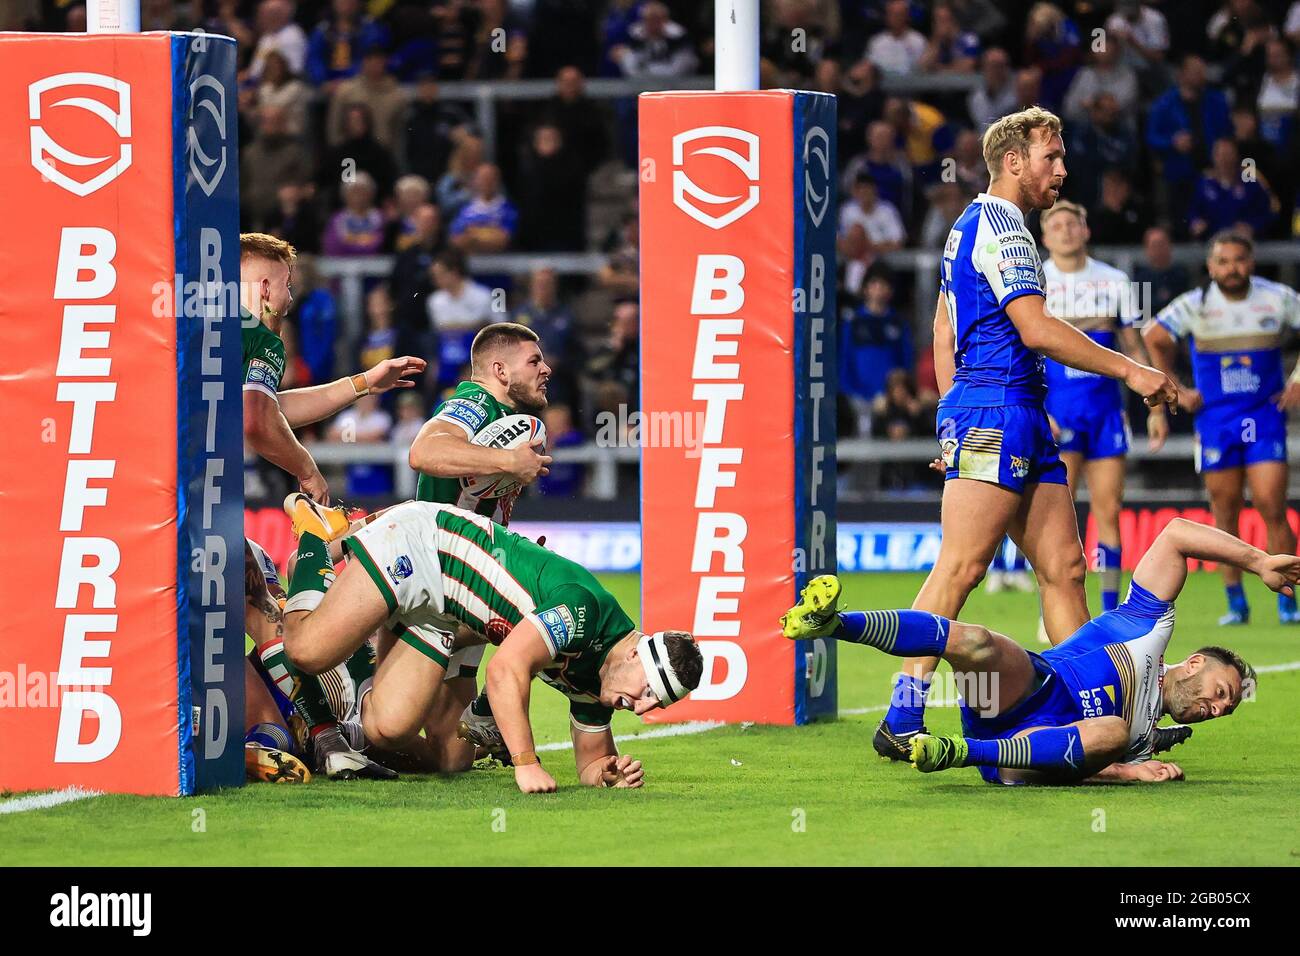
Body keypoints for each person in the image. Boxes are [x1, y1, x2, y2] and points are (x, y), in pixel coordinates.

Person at [880, 107, 1177, 762]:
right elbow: (1037, 329)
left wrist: (949, 414)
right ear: (1014, 161)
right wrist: (1132, 370)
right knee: (962, 565)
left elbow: (942, 327)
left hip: (1013, 411)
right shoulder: (1002, 226)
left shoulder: (976, 227)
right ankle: (901, 714)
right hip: (996, 410)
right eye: (1052, 157)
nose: (1063, 170)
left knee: (1065, 569)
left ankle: (1092, 708)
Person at [782, 516, 1290, 784]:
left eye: (1225, 710)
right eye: (1222, 691)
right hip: (1024, 690)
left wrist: (1125, 766)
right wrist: (1259, 560)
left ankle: (959, 755)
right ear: (1196, 663)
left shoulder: (1145, 740)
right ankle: (833, 624)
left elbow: (1103, 758)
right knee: (977, 640)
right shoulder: (1148, 626)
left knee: (1112, 732)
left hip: (1017, 758)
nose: (1219, 707)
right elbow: (1176, 534)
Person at [279, 496, 704, 793]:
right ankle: (316, 534)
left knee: (390, 731)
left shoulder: (606, 682)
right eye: (649, 690)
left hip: (448, 613)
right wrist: (526, 762)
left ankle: (350, 688)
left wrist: (606, 774)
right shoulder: (585, 611)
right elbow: (506, 669)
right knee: (308, 651)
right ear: (635, 652)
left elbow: (590, 763)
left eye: (656, 704)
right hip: (428, 549)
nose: (644, 707)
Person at [406, 323, 554, 766]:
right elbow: (424, 452)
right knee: (553, 612)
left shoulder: (511, 421)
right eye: (534, 361)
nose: (546, 369)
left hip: (473, 569)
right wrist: (510, 460)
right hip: (438, 576)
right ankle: (347, 724)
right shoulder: (475, 402)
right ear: (499, 370)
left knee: (453, 757)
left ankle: (355, 735)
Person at [1143, 230, 1300, 625]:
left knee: (1271, 505)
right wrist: (1175, 388)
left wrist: (1298, 380)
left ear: (1251, 262)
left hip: (1264, 416)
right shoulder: (1195, 305)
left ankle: (1286, 600)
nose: (1232, 268)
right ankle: (1236, 602)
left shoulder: (1275, 298)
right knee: (1225, 511)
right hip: (1216, 420)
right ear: (1211, 267)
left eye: (1240, 260)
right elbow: (1154, 336)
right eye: (1224, 261)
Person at [1040, 201, 1162, 613]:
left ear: (1086, 230)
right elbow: (1026, 353)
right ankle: (1056, 604)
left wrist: (1156, 407)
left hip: (1106, 413)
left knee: (1109, 509)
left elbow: (1134, 346)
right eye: (1055, 224)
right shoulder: (1036, 281)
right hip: (1059, 414)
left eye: (1072, 223)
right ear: (1044, 237)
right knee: (1060, 515)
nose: (1065, 230)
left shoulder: (1114, 281)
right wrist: (1039, 409)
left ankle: (1110, 609)